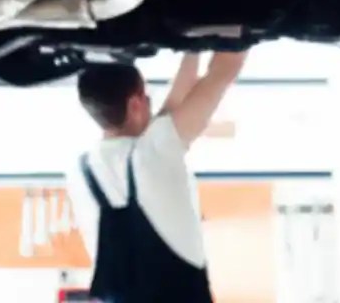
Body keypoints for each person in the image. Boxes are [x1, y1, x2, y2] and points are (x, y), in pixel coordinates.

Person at [65, 50, 247, 303]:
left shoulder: (81, 170)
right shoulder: (155, 151)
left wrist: (194, 47)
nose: (152, 102)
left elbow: (178, 102)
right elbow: (222, 71)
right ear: (135, 104)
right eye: (146, 95)